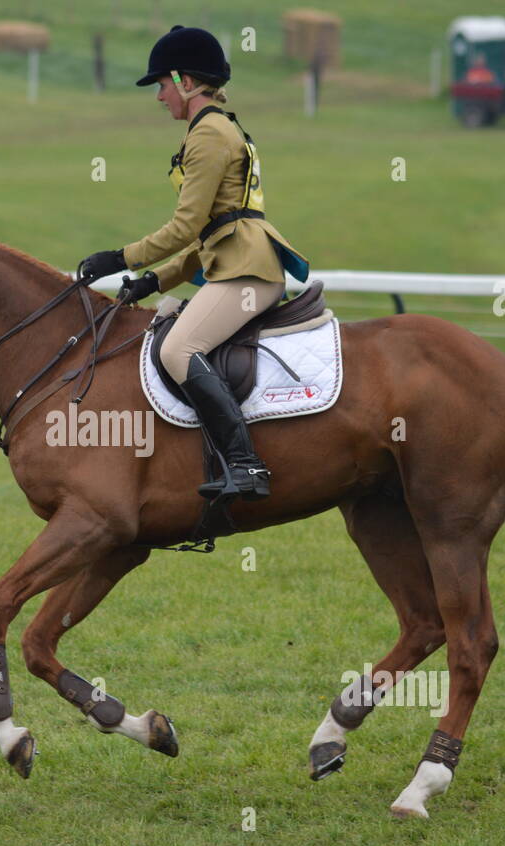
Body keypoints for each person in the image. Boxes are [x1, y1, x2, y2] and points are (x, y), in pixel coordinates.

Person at [80, 25, 310, 502]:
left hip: (246, 272)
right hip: (238, 262)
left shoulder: (207, 133)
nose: (159, 96)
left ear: (185, 82)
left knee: (178, 351)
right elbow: (209, 233)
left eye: (162, 85)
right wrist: (153, 280)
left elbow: (185, 226)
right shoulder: (218, 128)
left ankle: (246, 465)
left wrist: (119, 258)